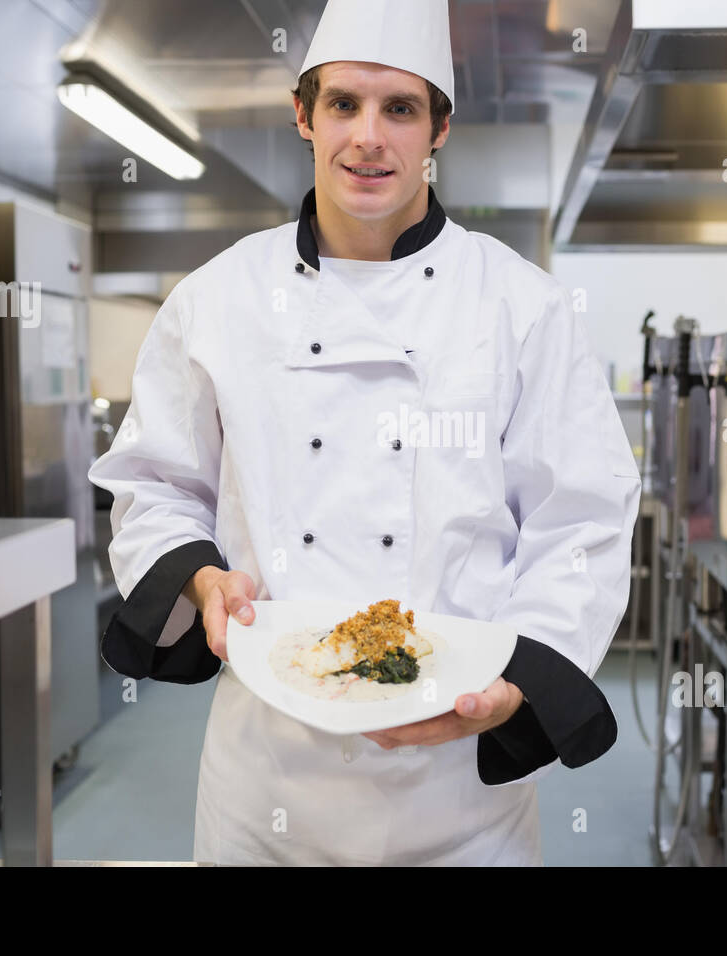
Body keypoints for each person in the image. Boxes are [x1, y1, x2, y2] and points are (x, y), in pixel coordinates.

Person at [88, 0, 641, 865]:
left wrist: (517, 682)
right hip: (263, 784)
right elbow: (154, 484)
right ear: (304, 117)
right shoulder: (218, 299)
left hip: (455, 785)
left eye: (401, 109)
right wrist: (199, 579)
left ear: (440, 130)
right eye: (344, 104)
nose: (369, 137)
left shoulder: (520, 305)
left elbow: (584, 518)